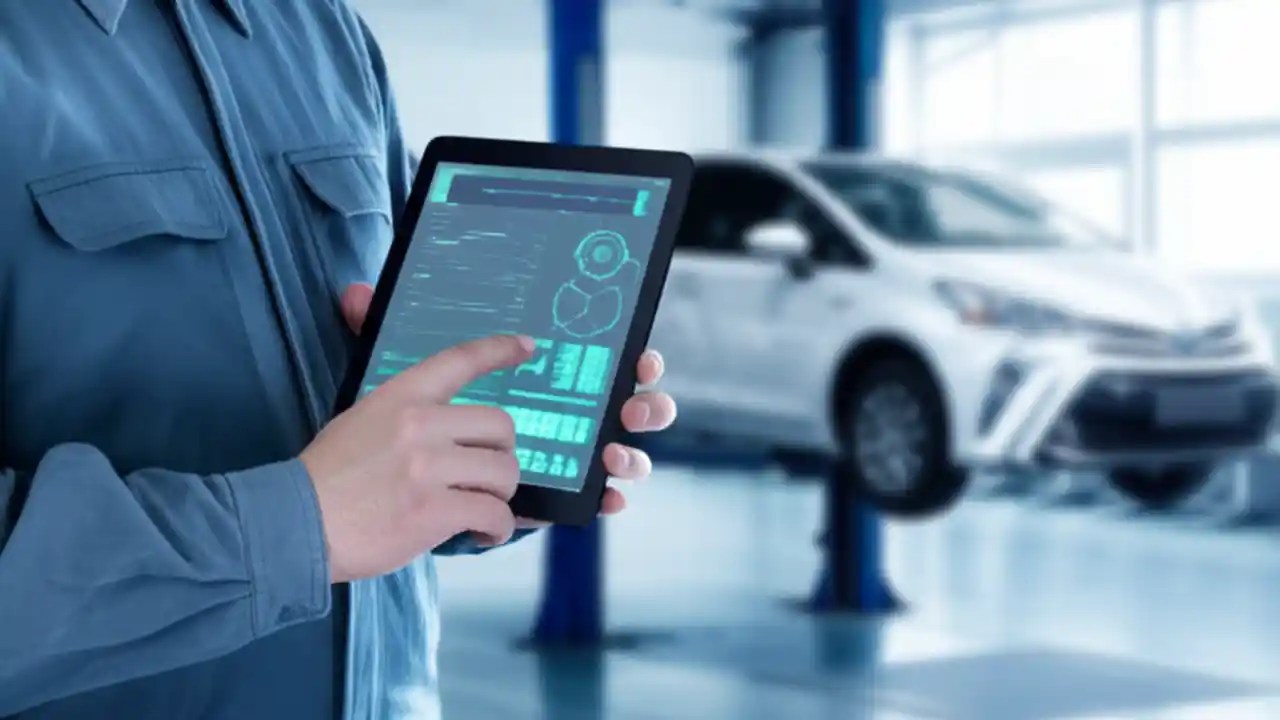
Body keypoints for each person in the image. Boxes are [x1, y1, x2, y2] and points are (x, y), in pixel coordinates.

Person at [0, 2, 677, 718]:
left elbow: (366, 437)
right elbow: (330, 512)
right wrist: (298, 530)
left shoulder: (323, 32)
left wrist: (477, 465)